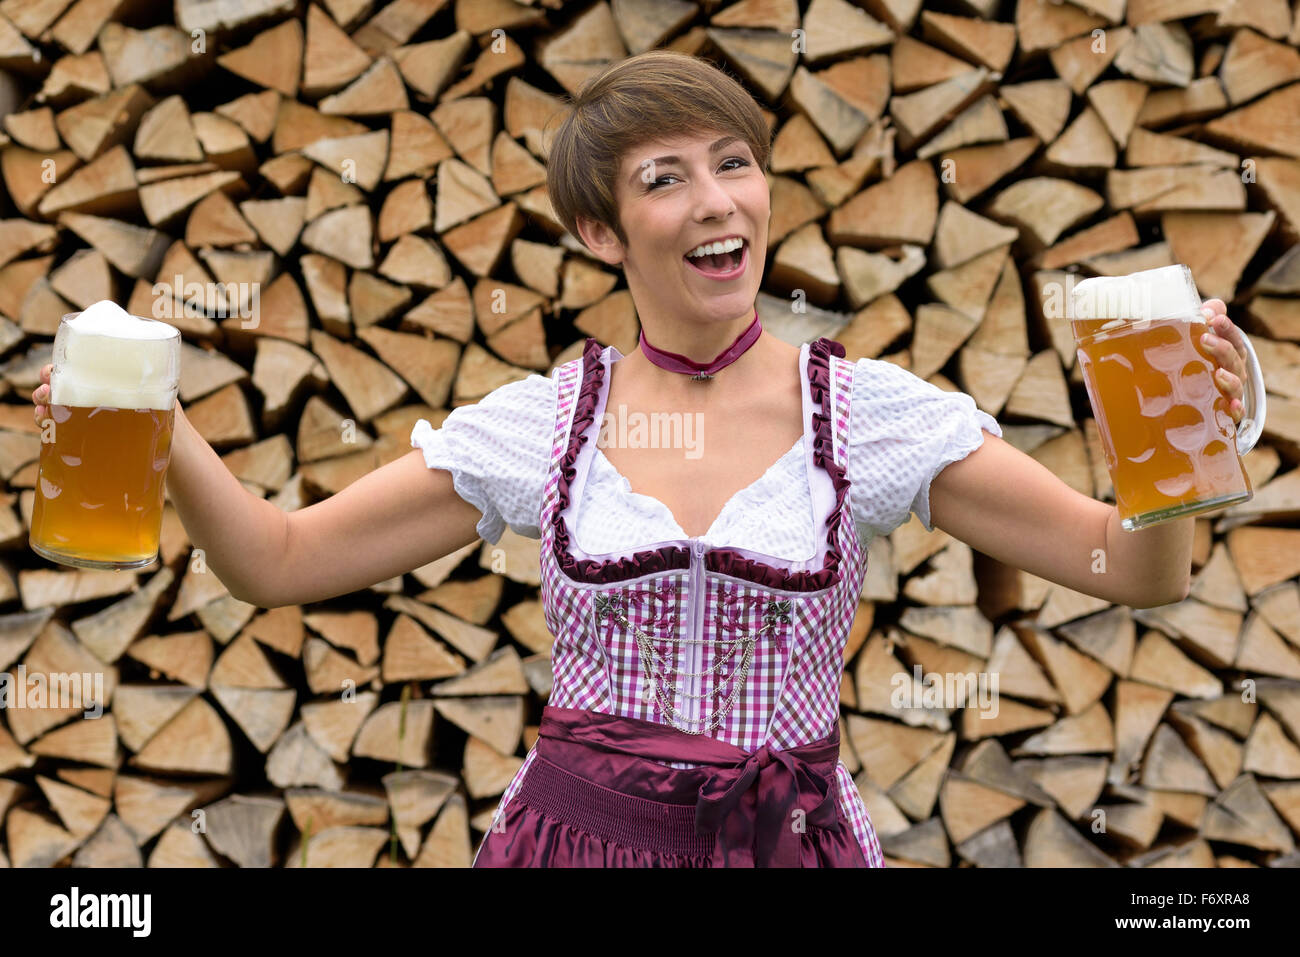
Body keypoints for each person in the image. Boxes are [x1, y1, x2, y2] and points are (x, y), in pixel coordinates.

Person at [32, 51, 1252, 868]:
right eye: (666, 180)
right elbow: (278, 562)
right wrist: (158, 420)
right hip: (575, 849)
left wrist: (1184, 438)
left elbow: (1134, 573)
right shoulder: (540, 426)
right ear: (600, 232)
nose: (718, 201)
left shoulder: (868, 416)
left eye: (734, 163)